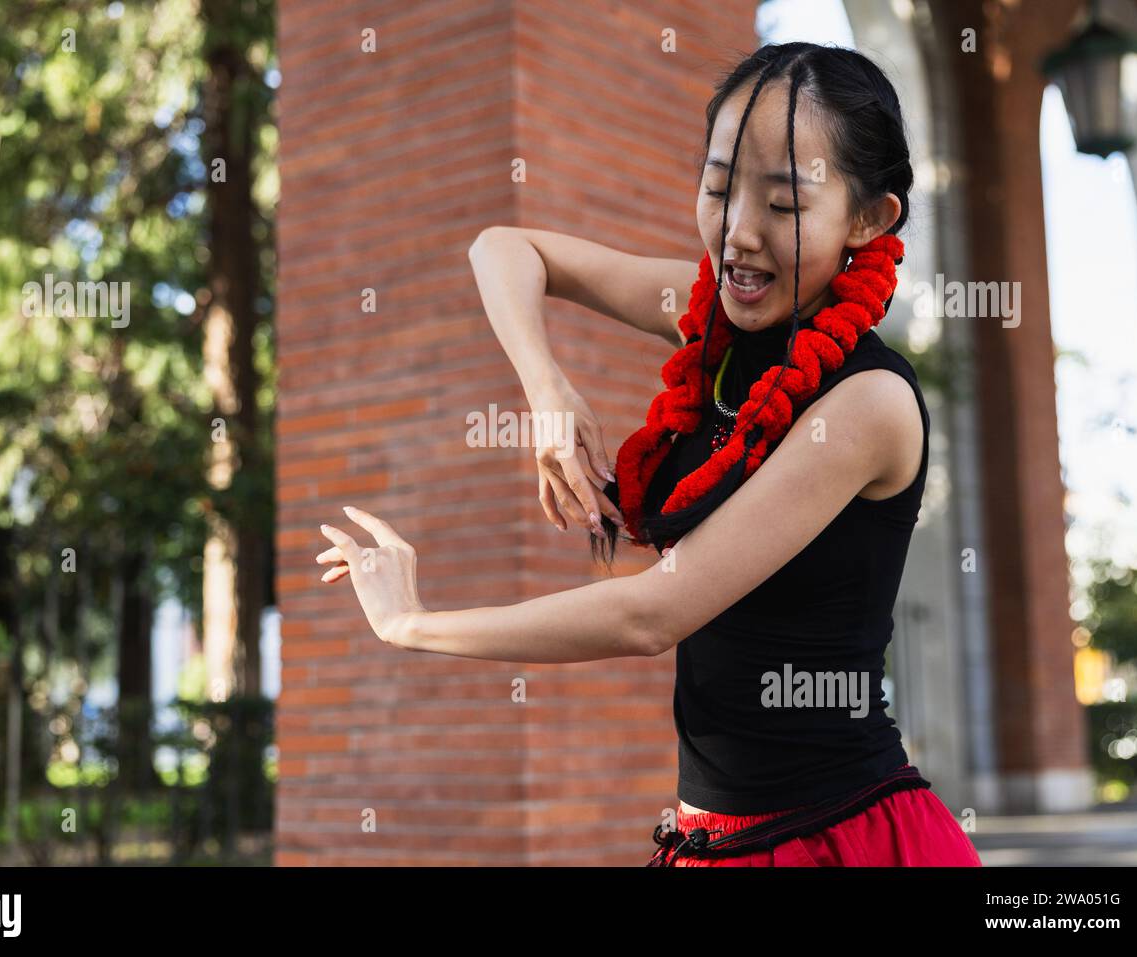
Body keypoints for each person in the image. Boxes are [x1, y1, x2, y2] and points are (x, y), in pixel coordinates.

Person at [316, 41, 981, 867]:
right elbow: (501, 247)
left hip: (836, 842)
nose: (737, 233)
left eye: (783, 203)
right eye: (717, 187)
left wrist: (415, 623)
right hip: (715, 840)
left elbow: (652, 613)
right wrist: (546, 387)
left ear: (869, 219)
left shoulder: (868, 402)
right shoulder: (712, 318)